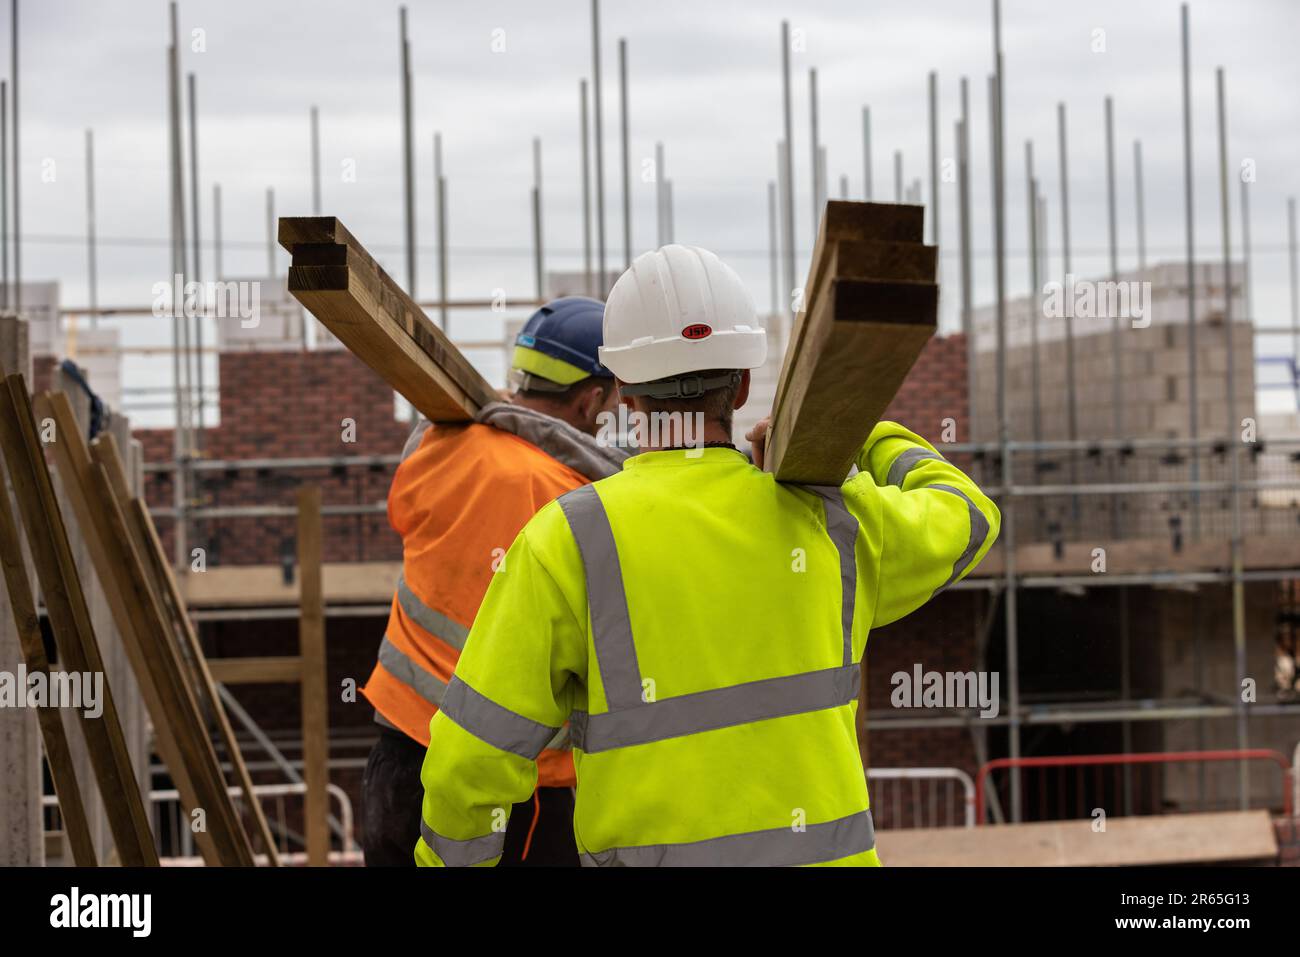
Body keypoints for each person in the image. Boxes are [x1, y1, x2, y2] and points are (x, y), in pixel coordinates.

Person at [414, 245, 1000, 867]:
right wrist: (863, 439)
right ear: (744, 385)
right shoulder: (831, 520)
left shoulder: (568, 538)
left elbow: (470, 760)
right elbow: (968, 515)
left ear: (622, 393)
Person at [360, 296, 625, 866]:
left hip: (398, 756)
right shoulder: (573, 499)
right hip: (515, 787)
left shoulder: (435, 444)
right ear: (591, 399)